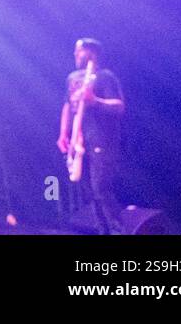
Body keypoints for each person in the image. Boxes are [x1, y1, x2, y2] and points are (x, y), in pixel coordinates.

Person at [58, 37, 126, 234]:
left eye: (79, 50)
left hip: (102, 139)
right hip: (80, 141)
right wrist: (63, 133)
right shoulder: (72, 78)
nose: (75, 54)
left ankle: (119, 231)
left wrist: (94, 101)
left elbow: (119, 106)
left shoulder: (105, 77)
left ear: (91, 53)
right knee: (89, 192)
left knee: (101, 188)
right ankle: (103, 231)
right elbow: (67, 106)